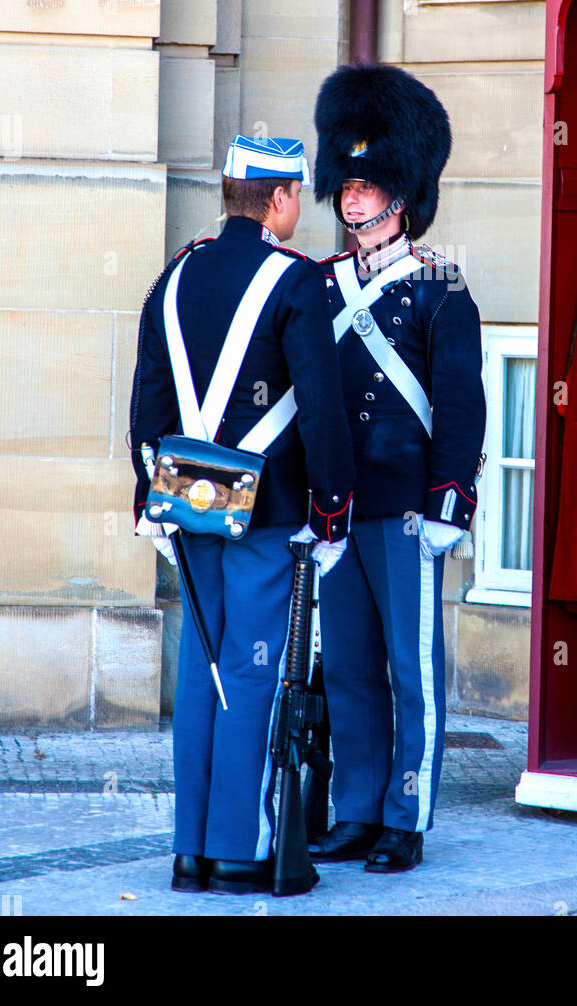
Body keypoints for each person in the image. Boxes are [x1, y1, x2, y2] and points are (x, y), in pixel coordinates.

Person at [129, 134, 354, 896]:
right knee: (254, 674)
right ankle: (240, 849)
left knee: (204, 670)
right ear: (282, 198)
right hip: (268, 509)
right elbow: (322, 414)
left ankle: (189, 850)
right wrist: (330, 513)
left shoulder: (175, 275)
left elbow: (148, 401)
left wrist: (149, 496)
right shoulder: (296, 283)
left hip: (189, 503)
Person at [308, 62, 487, 872]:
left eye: (368, 183)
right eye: (344, 183)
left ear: (401, 194)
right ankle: (354, 809)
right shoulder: (317, 287)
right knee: (346, 667)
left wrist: (450, 500)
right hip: (338, 509)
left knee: (411, 672)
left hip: (408, 506)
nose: (351, 197)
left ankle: (405, 817)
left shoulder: (440, 289)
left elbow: (459, 404)